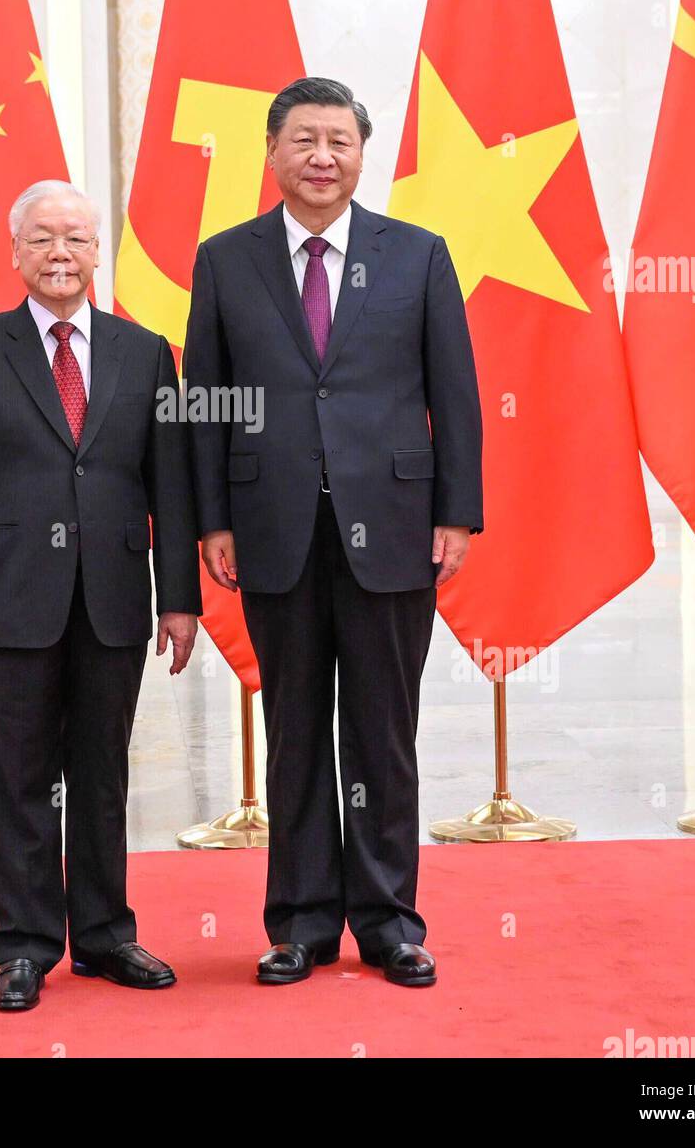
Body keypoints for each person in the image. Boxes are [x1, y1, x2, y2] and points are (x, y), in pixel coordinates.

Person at [183, 77, 483, 988]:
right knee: (296, 728)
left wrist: (455, 511)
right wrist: (212, 518)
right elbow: (205, 399)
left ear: (361, 154)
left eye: (339, 141)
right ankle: (301, 923)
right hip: (272, 529)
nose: (322, 157)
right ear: (271, 154)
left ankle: (390, 921)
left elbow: (453, 394)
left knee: (384, 732)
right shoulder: (226, 259)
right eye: (304, 140)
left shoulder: (415, 255)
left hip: (393, 527)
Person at [0, 180, 201, 1011]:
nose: (60, 254)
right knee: (16, 777)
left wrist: (179, 598)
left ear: (96, 254)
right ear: (15, 253)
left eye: (76, 240)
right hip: (11, 602)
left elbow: (172, 483)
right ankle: (23, 946)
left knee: (102, 775)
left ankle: (105, 935)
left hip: (115, 598)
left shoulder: (145, 350)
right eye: (43, 239)